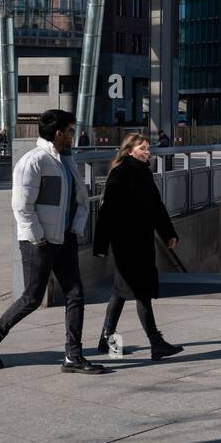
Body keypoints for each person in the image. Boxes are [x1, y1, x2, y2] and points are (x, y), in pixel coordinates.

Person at [0, 109, 104, 373]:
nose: (73, 135)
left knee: (75, 294)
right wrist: (39, 238)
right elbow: (22, 206)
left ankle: (73, 357)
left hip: (64, 239)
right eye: (70, 130)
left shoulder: (66, 160)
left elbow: (79, 199)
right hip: (40, 243)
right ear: (58, 133)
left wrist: (74, 230)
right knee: (32, 298)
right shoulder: (33, 161)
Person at [94, 134, 183, 361]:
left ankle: (106, 340)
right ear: (130, 150)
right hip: (126, 243)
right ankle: (156, 342)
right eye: (142, 148)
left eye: (148, 148)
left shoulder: (144, 171)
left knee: (120, 291)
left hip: (142, 241)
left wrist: (168, 233)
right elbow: (107, 211)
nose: (147, 152)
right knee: (141, 291)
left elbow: (157, 205)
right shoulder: (120, 172)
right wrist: (101, 244)